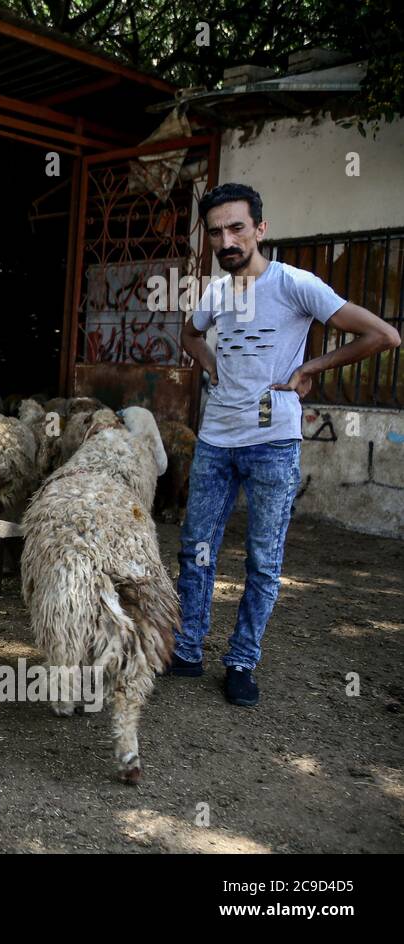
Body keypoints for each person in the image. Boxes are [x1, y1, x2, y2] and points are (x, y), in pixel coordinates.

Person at [174, 182, 400, 706]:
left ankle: (241, 662)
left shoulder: (296, 284)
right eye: (216, 232)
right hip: (215, 442)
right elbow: (190, 335)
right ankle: (187, 650)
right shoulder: (215, 293)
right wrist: (211, 369)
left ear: (260, 229)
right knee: (196, 551)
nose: (226, 240)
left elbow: (384, 335)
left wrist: (312, 367)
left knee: (262, 560)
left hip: (272, 444)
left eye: (236, 228)